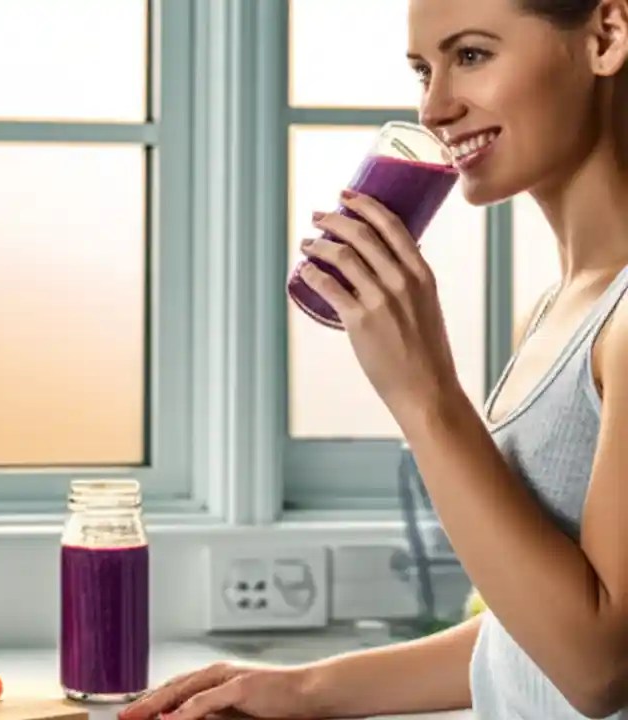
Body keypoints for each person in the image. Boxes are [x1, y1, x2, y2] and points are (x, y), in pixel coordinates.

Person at [119, 0, 628, 718]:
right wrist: (302, 687)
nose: (435, 107)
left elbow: (600, 666)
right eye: (423, 69)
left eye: (473, 56)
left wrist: (425, 394)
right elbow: (535, 630)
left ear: (606, 36)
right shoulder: (553, 311)